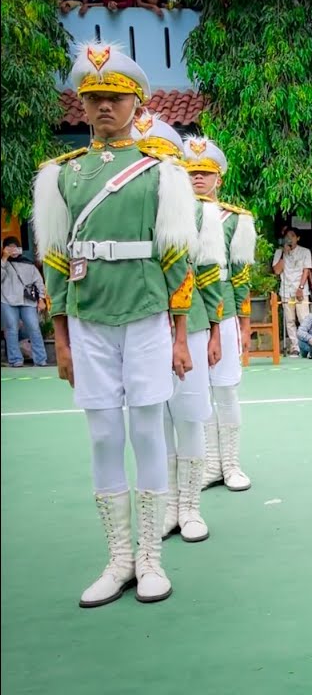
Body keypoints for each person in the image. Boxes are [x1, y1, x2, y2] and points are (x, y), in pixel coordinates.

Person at [34, 42, 199, 606]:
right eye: (95, 97)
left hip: (147, 316)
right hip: (88, 320)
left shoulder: (163, 173)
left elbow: (176, 258)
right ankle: (118, 559)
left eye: (116, 97)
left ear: (137, 103)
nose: (105, 106)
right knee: (103, 434)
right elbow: (55, 261)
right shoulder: (60, 176)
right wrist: (60, 339)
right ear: (82, 104)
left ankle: (150, 557)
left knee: (148, 430)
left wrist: (181, 335)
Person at [134, 113, 222, 545]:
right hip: (143, 319)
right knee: (155, 419)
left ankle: (190, 507)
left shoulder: (199, 212)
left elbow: (207, 273)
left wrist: (216, 332)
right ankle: (169, 506)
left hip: (194, 325)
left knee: (188, 416)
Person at [184, 135, 257, 493]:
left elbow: (241, 275)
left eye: (205, 172)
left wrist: (243, 324)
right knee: (197, 392)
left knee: (225, 389)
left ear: (219, 178)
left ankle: (231, 463)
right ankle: (210, 464)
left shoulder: (236, 219)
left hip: (224, 311)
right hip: (187, 314)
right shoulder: (174, 216)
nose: (198, 178)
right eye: (192, 172)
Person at [1, 237, 48, 367]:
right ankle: (15, 360)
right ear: (4, 249)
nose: (12, 250)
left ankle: (40, 359)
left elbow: (38, 281)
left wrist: (41, 299)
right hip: (8, 300)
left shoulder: (28, 263)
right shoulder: (3, 263)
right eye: (9, 247)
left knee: (34, 328)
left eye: (15, 247)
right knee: (11, 329)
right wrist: (4, 258)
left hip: (28, 301)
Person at [272, 226, 311, 356]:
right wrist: (284, 253)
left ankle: (306, 345)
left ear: (297, 238)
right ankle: (295, 346)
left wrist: (301, 288)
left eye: (292, 236)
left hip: (300, 289)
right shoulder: (279, 252)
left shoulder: (305, 252)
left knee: (304, 318)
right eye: (287, 236)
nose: (289, 239)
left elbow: (306, 270)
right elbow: (277, 271)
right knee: (290, 320)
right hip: (286, 289)